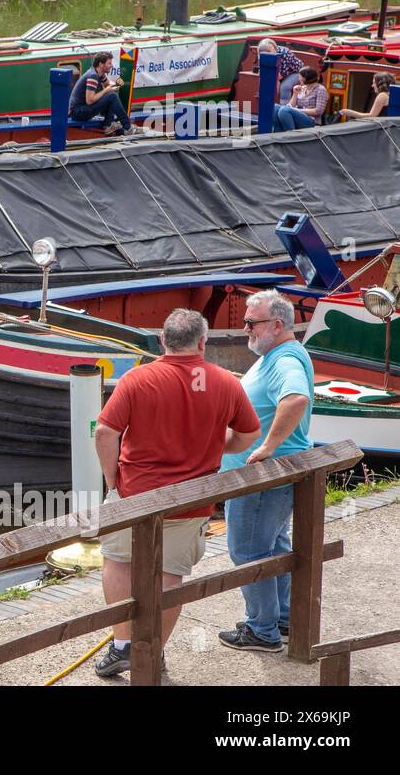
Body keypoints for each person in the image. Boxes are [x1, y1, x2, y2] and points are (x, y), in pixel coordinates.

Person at [92, 308, 261, 679]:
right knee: (170, 575)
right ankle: (153, 651)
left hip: (135, 495)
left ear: (163, 341)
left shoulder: (138, 379)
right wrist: (219, 446)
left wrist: (111, 482)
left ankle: (122, 646)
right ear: (203, 342)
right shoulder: (226, 382)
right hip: (191, 500)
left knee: (120, 562)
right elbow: (249, 434)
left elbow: (105, 432)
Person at [218, 290, 313, 653]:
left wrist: (267, 446)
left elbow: (296, 398)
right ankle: (282, 618)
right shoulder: (278, 353)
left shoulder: (285, 359)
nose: (244, 328)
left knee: (248, 552)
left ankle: (262, 631)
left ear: (276, 324)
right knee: (274, 546)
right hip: (273, 477)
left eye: (251, 323)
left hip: (261, 479)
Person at [69, 52, 139, 137]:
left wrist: (117, 84)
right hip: (78, 112)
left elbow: (108, 84)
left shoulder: (99, 74)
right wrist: (106, 90)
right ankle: (127, 127)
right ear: (101, 64)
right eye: (109, 63)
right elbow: (90, 101)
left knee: (110, 95)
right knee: (112, 96)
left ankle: (109, 125)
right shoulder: (93, 76)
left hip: (81, 109)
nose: (111, 66)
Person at [273, 66, 328, 132]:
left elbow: (318, 111)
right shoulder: (302, 88)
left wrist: (298, 111)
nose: (299, 79)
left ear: (306, 78)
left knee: (284, 110)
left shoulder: (321, 89)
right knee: (275, 107)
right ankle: (278, 135)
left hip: (312, 121)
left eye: (300, 77)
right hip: (298, 115)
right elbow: (290, 106)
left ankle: (291, 136)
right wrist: (295, 93)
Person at [257, 38, 304, 104]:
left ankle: (283, 107)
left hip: (295, 72)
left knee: (285, 86)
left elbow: (281, 75)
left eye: (270, 52)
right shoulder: (261, 55)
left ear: (274, 48)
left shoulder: (284, 53)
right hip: (278, 72)